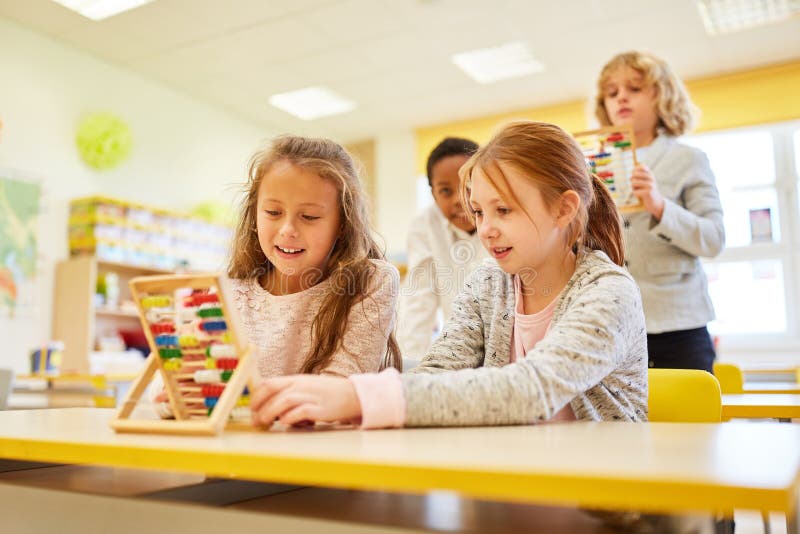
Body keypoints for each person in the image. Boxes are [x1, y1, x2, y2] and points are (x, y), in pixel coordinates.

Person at [248, 121, 648, 430]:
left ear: (563, 210)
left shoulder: (608, 291)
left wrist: (358, 395)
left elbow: (534, 388)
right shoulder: (488, 284)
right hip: (511, 492)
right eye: (478, 212)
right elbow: (438, 371)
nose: (485, 228)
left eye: (503, 210)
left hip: (602, 504)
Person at [152, 136, 400, 415]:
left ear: (343, 223)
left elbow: (338, 393)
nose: (287, 229)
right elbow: (172, 385)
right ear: (255, 212)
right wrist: (177, 395)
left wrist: (238, 402)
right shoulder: (225, 293)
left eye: (309, 217)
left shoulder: (370, 281)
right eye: (273, 212)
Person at [594, 51, 724, 373]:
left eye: (634, 88)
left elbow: (714, 239)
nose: (621, 97)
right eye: (612, 92)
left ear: (661, 96)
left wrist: (659, 205)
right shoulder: (593, 167)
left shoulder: (689, 159)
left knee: (690, 421)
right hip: (614, 325)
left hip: (680, 326)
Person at [398, 137, 488, 362]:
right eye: (446, 191)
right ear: (433, 194)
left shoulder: (504, 220)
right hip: (461, 351)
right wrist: (408, 365)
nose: (460, 200)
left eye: (467, 187)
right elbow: (420, 298)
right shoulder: (425, 225)